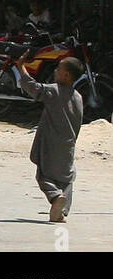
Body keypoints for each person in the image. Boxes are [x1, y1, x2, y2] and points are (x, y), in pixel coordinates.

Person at [17, 56, 84, 222]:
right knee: (67, 177)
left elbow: (33, 88)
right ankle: (60, 211)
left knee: (44, 175)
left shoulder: (54, 91)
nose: (55, 71)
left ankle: (55, 197)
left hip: (50, 143)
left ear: (67, 75)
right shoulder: (78, 97)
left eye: (59, 68)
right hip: (68, 144)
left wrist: (21, 67)